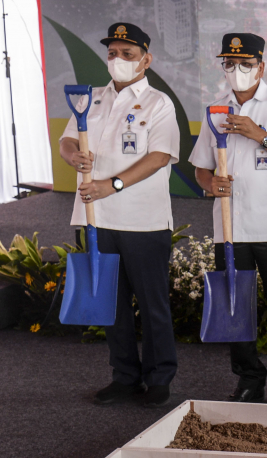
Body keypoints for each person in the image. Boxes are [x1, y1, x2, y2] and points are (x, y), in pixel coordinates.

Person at [58, 22, 180, 407]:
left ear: (146, 60)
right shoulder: (90, 99)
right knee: (111, 304)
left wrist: (112, 184)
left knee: (152, 303)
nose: (118, 60)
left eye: (127, 54)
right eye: (112, 53)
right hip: (97, 218)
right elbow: (66, 140)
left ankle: (160, 377)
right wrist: (72, 155)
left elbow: (160, 157)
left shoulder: (159, 103)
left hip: (142, 221)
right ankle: (125, 376)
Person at [190, 33, 267, 404]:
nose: (237, 70)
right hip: (230, 226)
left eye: (245, 64)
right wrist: (212, 184)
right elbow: (200, 169)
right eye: (229, 63)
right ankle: (248, 378)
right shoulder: (215, 108)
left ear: (261, 66)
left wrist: (262, 136)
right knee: (235, 305)